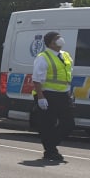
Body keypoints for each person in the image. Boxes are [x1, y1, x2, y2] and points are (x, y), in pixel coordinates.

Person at [32, 30, 74, 163]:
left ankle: (51, 145)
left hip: (63, 94)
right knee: (47, 124)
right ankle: (50, 151)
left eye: (60, 37)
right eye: (57, 38)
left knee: (68, 124)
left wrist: (69, 92)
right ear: (50, 42)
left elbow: (66, 75)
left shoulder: (65, 55)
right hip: (47, 94)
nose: (60, 40)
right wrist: (40, 97)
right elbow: (36, 79)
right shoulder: (43, 57)